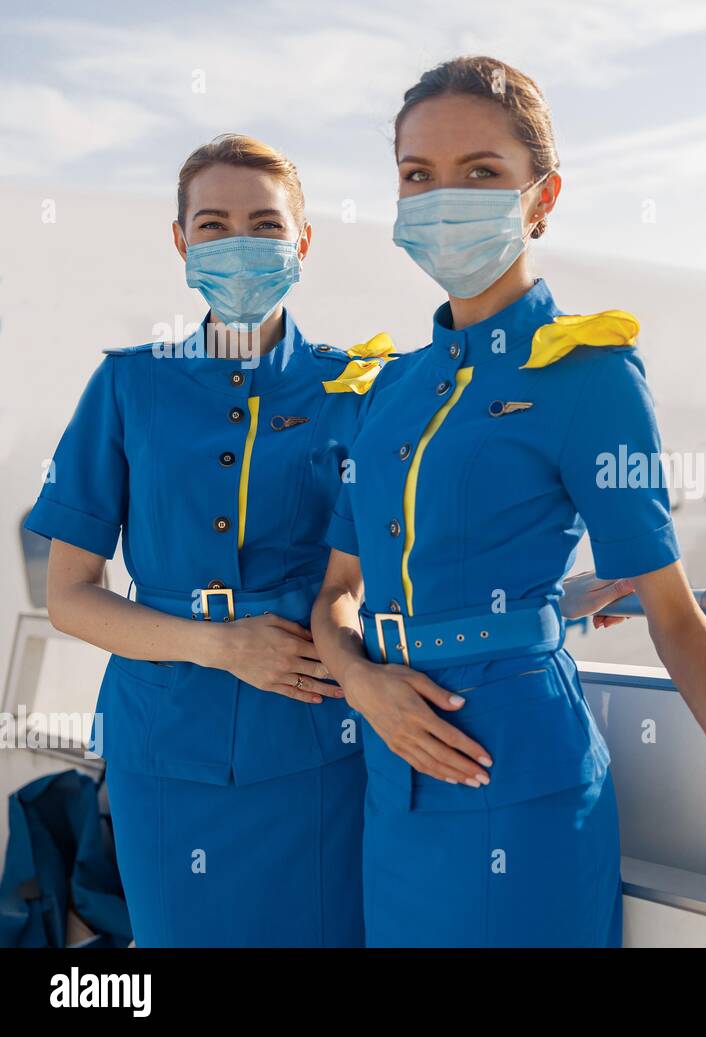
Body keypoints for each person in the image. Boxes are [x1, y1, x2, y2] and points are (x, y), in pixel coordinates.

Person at [311, 55, 706, 948]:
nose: (442, 198)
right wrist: (361, 680)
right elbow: (336, 594)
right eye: (418, 175)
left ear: (542, 197)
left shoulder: (589, 377)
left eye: (481, 173)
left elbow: (675, 615)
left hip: (517, 777)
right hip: (391, 779)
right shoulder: (387, 390)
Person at [25, 134, 375, 947]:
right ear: (181, 241)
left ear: (303, 241)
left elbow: (392, 563)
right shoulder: (127, 384)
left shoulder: (354, 387)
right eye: (213, 224)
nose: (238, 243)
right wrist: (219, 646)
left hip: (319, 739)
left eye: (264, 223)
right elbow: (70, 596)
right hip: (163, 750)